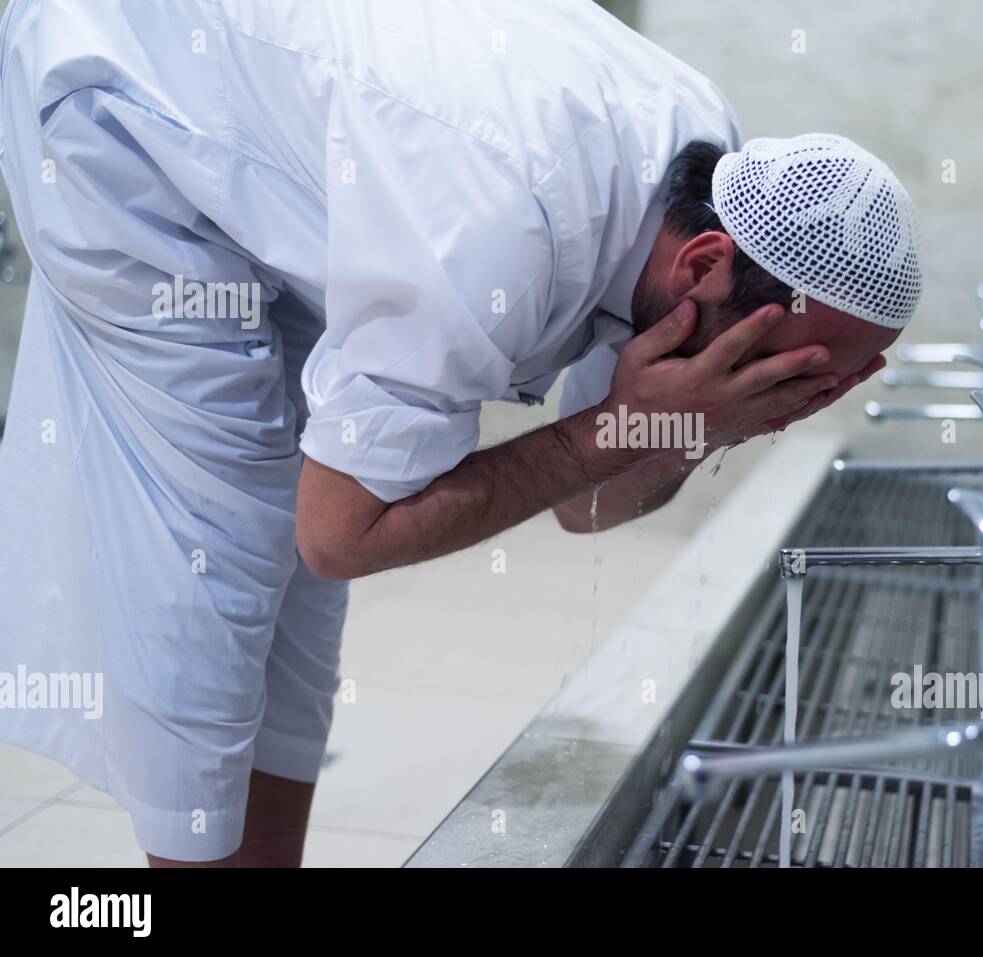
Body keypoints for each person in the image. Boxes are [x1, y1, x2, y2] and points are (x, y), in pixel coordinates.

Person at [0, 0, 921, 866]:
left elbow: (584, 510)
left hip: (296, 128)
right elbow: (340, 534)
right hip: (118, 95)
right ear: (707, 264)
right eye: (800, 367)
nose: (810, 391)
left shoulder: (698, 201)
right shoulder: (502, 232)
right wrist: (622, 422)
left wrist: (687, 423)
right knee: (223, 543)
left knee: (295, 599)